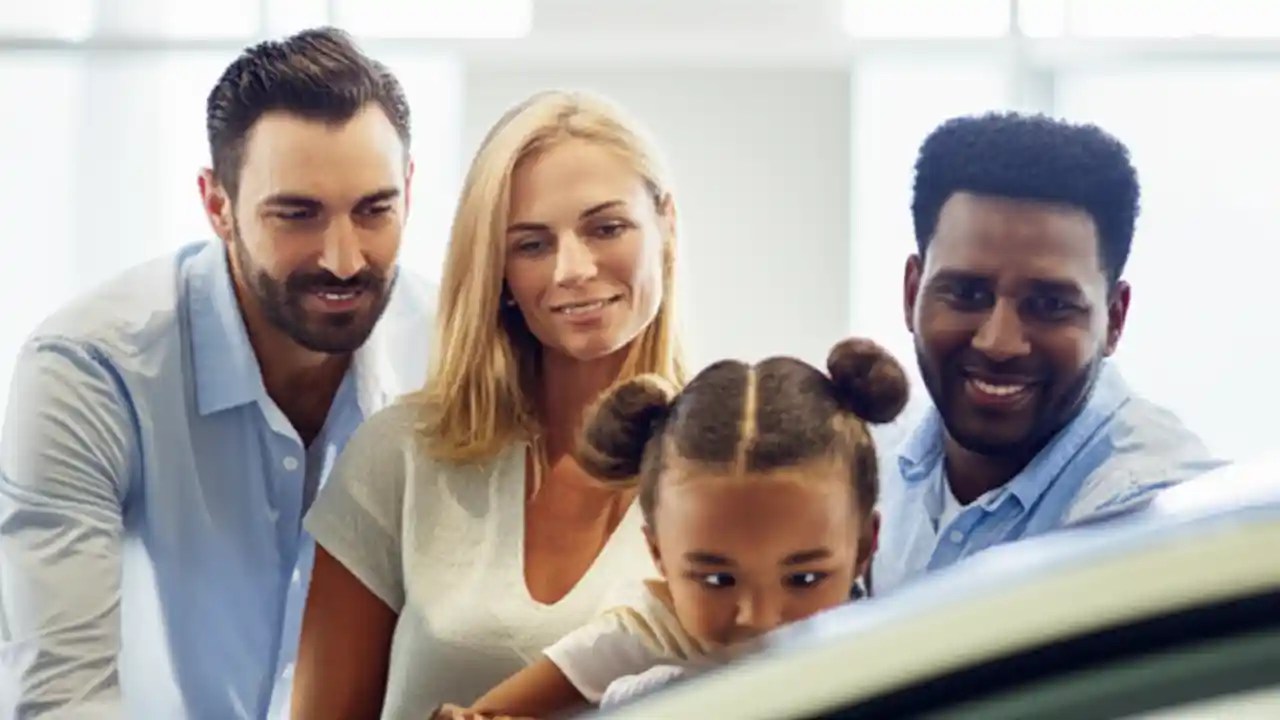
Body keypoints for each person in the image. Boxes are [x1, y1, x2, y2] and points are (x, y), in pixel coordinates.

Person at [0, 27, 432, 719]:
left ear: (408, 190)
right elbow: (62, 694)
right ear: (217, 204)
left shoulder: (453, 357)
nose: (345, 259)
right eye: (297, 214)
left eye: (375, 209)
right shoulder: (89, 368)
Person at [290, 89, 685, 719]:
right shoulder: (401, 456)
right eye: (532, 244)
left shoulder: (733, 462)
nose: (573, 270)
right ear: (496, 269)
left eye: (606, 227)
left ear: (665, 222)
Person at [435, 337, 909, 719]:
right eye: (718, 580)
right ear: (658, 552)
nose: (759, 617)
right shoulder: (645, 635)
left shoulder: (902, 653)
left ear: (865, 545)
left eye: (804, 579)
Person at [871, 112, 1227, 595]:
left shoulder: (1156, 525)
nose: (998, 342)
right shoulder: (879, 472)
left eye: (1050, 305)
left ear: (1114, 319)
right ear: (912, 292)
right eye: (968, 294)